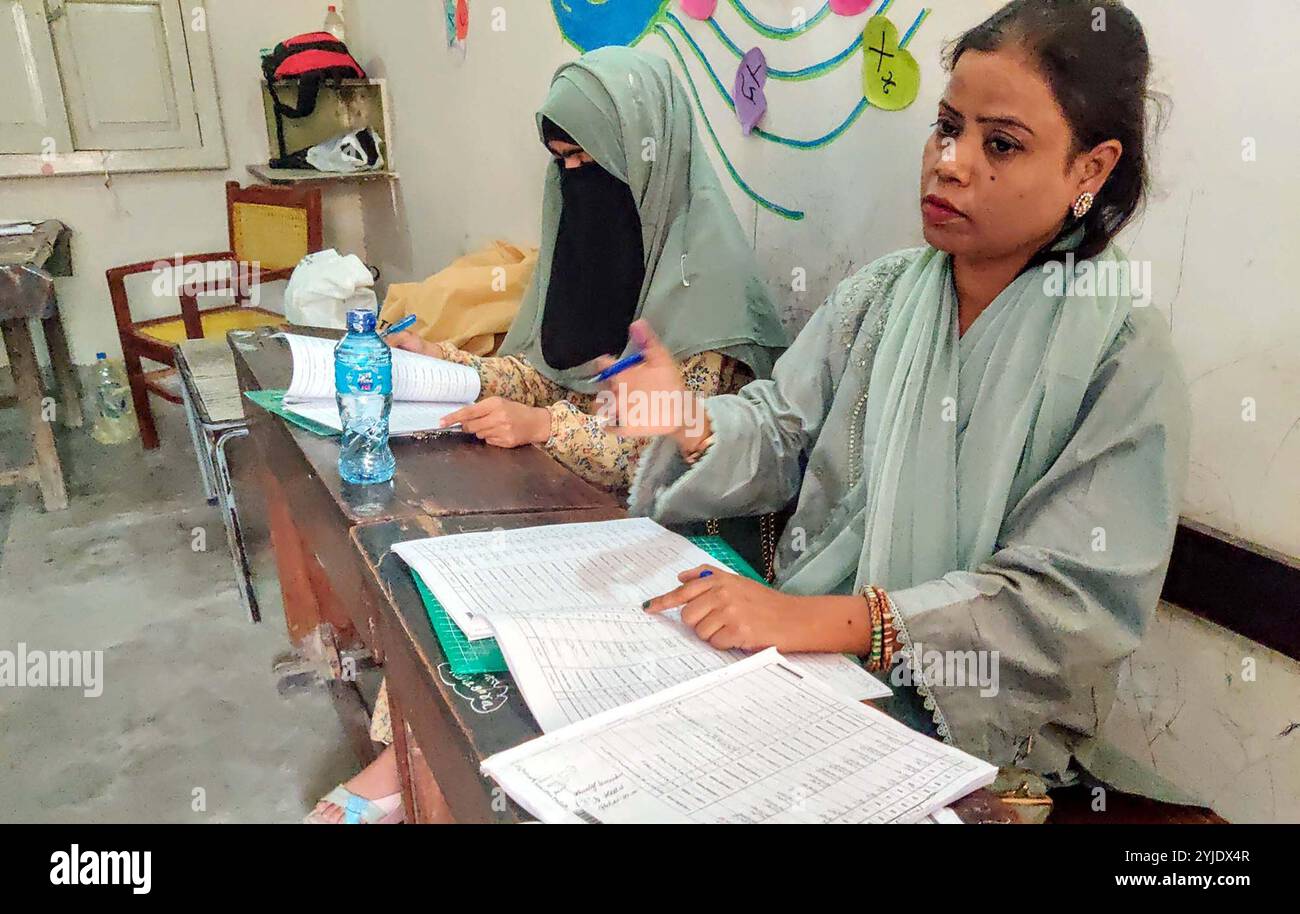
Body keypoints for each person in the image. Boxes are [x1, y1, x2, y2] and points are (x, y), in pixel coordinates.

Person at [613, 0, 1189, 793]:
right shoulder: (881, 296)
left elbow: (1066, 608)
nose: (951, 162)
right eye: (946, 126)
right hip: (806, 676)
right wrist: (694, 425)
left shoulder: (1120, 351)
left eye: (1001, 145)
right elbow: (784, 431)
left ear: (1090, 170)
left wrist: (822, 623)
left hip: (983, 737)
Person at [307, 45, 786, 823]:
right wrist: (455, 366)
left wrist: (543, 425)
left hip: (689, 541)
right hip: (578, 500)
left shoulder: (711, 290)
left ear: (646, 160)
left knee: (495, 591)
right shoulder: (596, 246)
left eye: (593, 160)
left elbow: (664, 448)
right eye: (562, 161)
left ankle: (423, 776)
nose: (577, 180)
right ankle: (414, 767)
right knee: (448, 572)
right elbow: (550, 369)